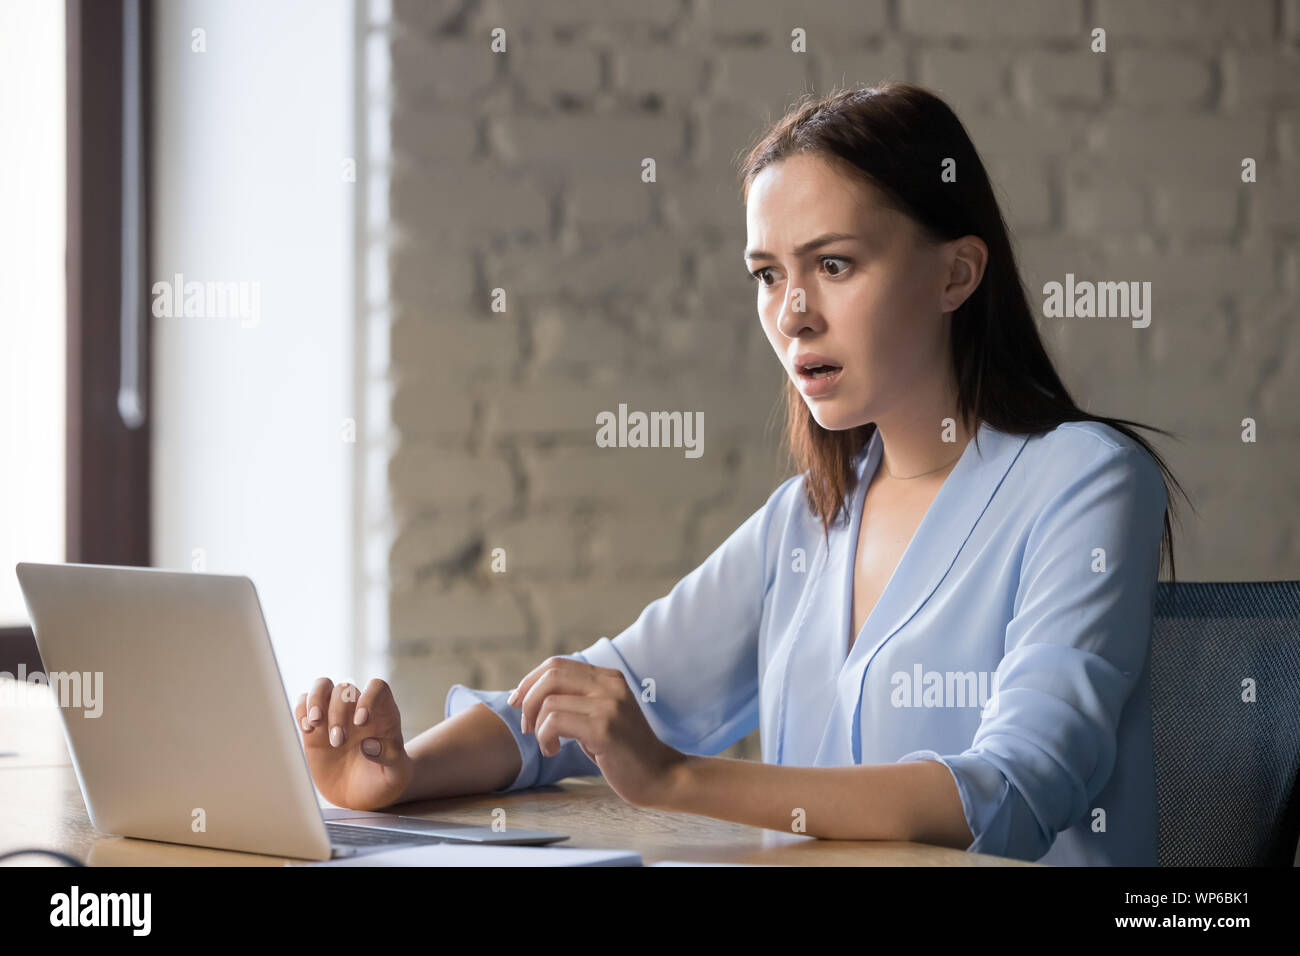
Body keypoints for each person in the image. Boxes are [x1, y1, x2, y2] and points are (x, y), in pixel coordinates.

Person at [296, 82, 1188, 865]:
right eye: (769, 274)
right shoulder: (808, 518)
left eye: (834, 265)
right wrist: (401, 773)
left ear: (955, 273)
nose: (793, 315)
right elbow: (587, 706)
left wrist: (676, 778)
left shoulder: (1085, 481)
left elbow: (1014, 791)